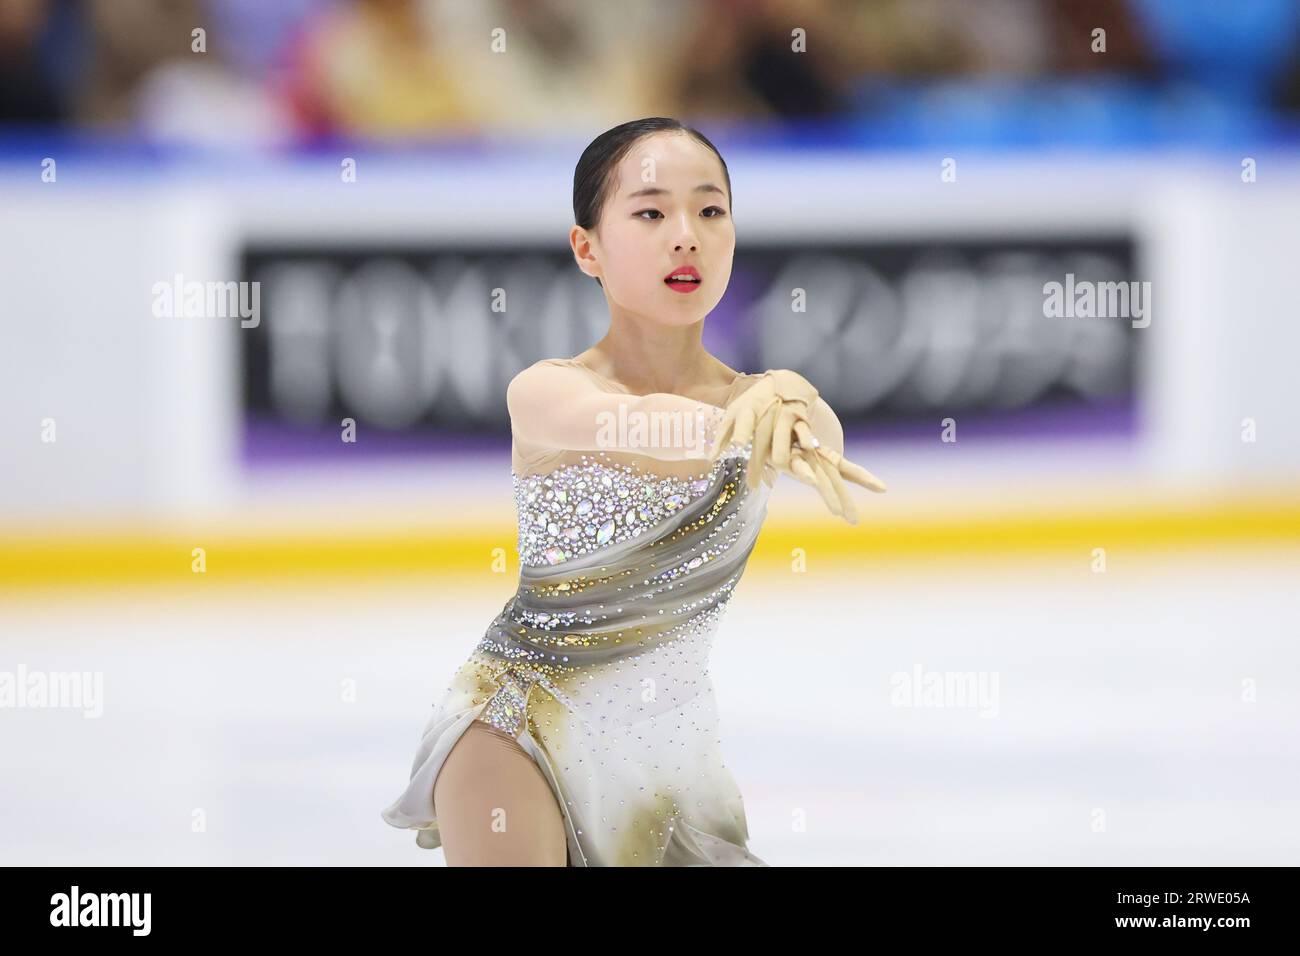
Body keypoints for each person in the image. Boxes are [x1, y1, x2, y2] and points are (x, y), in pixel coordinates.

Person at [381, 117, 886, 866]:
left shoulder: (762, 404)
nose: (686, 236)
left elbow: (830, 446)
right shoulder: (550, 392)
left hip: (670, 759)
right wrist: (755, 413)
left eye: (710, 211)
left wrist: (790, 392)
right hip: (518, 728)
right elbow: (644, 424)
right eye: (650, 212)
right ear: (587, 247)